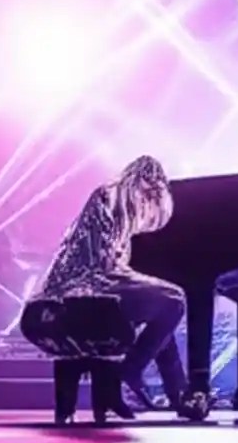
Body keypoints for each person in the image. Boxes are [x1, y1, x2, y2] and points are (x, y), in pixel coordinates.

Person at [20, 155, 188, 420]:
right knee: (174, 299)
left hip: (77, 286)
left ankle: (178, 393)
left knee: (162, 311)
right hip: (89, 286)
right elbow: (103, 265)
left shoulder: (108, 199)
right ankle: (133, 370)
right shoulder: (115, 195)